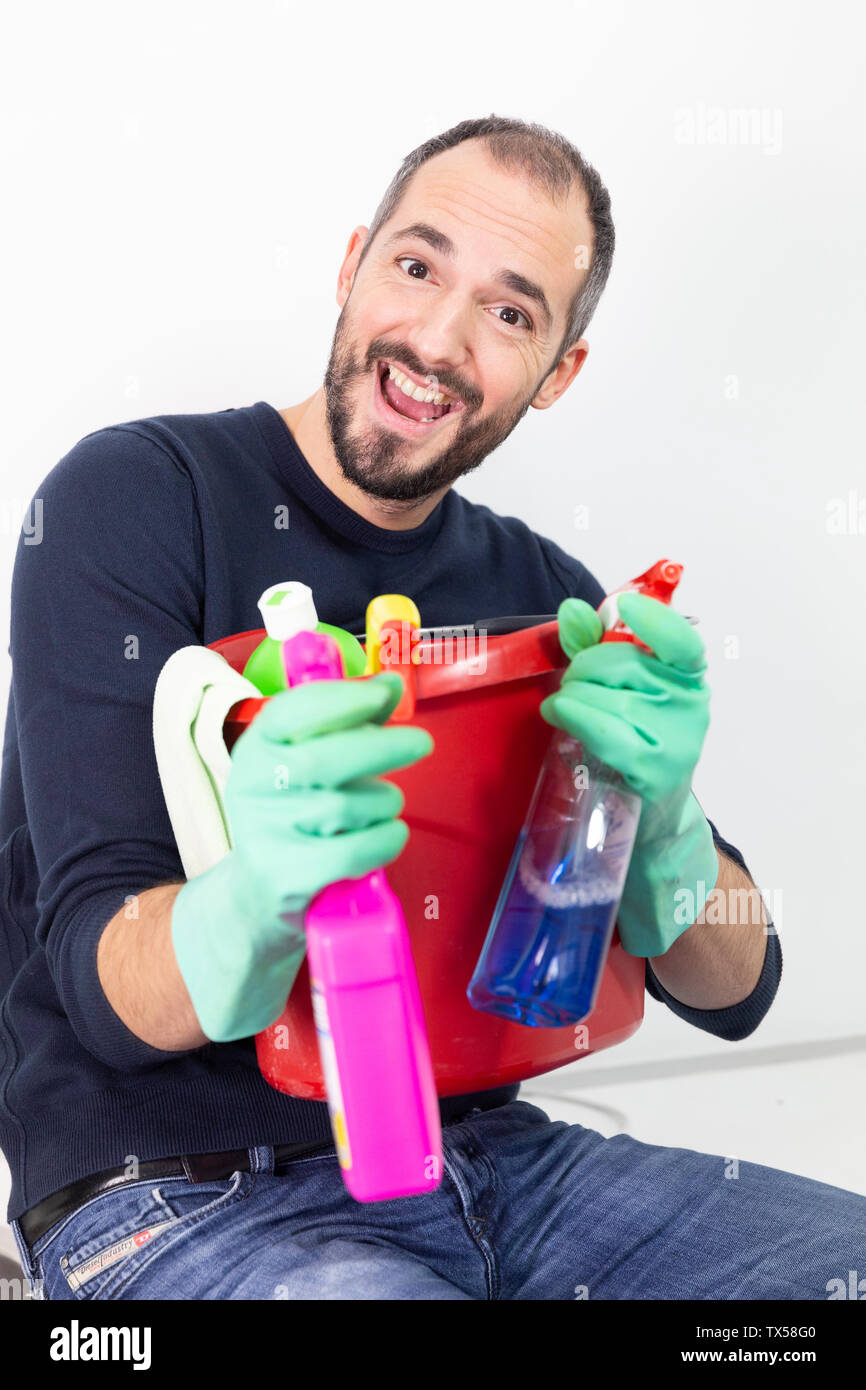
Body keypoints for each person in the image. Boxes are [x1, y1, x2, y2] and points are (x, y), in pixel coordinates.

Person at [2, 115, 862, 1301]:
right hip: (180, 1196)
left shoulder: (544, 599)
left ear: (558, 371)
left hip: (502, 1165)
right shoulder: (135, 499)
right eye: (416, 265)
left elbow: (737, 989)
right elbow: (104, 995)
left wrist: (662, 827)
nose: (438, 337)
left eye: (511, 312)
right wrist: (255, 898)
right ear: (352, 263)